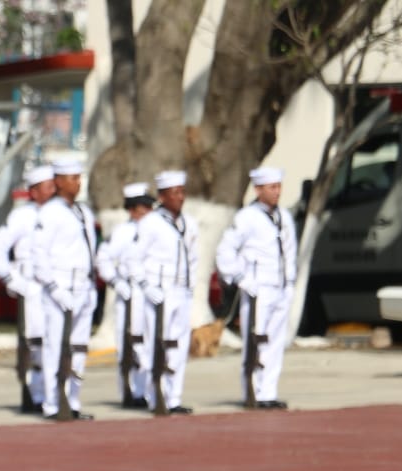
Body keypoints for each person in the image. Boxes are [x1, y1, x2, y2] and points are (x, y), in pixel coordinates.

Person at [215, 166, 298, 409]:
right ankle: (252, 390)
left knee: (275, 341)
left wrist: (290, 282)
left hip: (280, 287)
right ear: (258, 189)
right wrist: (241, 278)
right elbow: (225, 251)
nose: (277, 192)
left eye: (279, 187)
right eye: (272, 187)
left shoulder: (284, 216)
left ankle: (269, 392)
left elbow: (290, 252)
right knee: (256, 341)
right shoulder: (246, 218)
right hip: (258, 287)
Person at [123, 170, 199, 415]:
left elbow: (193, 257)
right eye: (174, 193)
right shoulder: (151, 223)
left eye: (182, 192)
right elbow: (132, 259)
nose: (180, 197)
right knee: (156, 345)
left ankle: (174, 397)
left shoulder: (189, 223)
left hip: (181, 290)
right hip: (159, 290)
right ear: (162, 197)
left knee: (178, 344)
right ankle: (155, 395)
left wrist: (191, 285)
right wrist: (146, 285)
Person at [31, 158, 98, 421]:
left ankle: (73, 400)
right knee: (55, 347)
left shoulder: (83, 211)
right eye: (72, 178)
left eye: (79, 178)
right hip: (60, 287)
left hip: (83, 286)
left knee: (79, 348)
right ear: (58, 182)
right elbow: (39, 254)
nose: (77, 183)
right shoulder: (49, 212)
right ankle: (52, 402)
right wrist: (54, 287)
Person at [0, 164, 55, 413]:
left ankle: (52, 395)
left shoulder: (60, 214)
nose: (52, 191)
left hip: (57, 286)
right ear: (34, 191)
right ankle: (33, 395)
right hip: (33, 286)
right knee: (34, 344)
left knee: (56, 342)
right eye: (47, 187)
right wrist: (11, 279)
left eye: (53, 186)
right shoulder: (22, 216)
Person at [96, 181, 155, 408]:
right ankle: (130, 392)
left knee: (149, 344)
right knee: (130, 344)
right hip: (130, 293)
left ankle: (147, 390)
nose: (148, 212)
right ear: (132, 209)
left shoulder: (155, 229)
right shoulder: (123, 232)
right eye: (143, 207)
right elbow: (103, 258)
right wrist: (115, 282)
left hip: (151, 292)